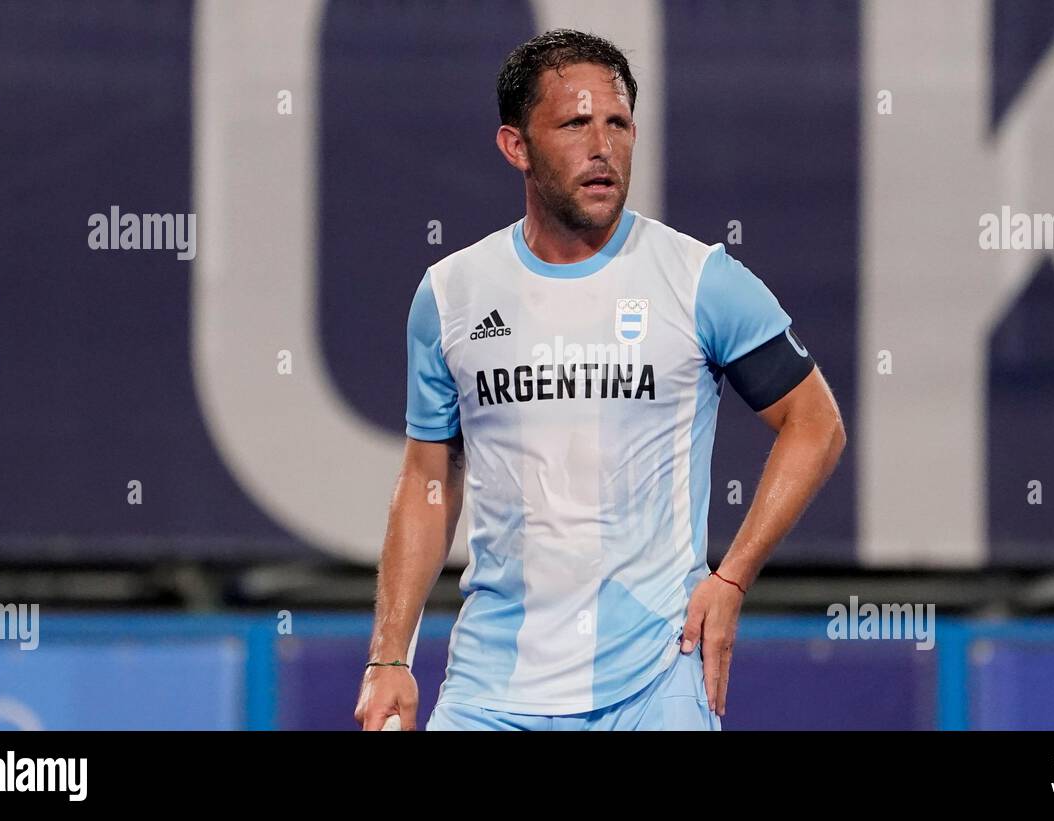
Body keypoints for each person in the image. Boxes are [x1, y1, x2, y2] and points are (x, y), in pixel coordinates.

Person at [354, 28, 846, 731]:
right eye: (575, 124)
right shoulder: (449, 295)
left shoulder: (700, 279)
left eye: (617, 124)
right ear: (515, 146)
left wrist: (732, 575)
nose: (603, 146)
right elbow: (430, 478)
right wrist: (389, 656)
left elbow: (816, 423)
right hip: (492, 692)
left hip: (657, 678)